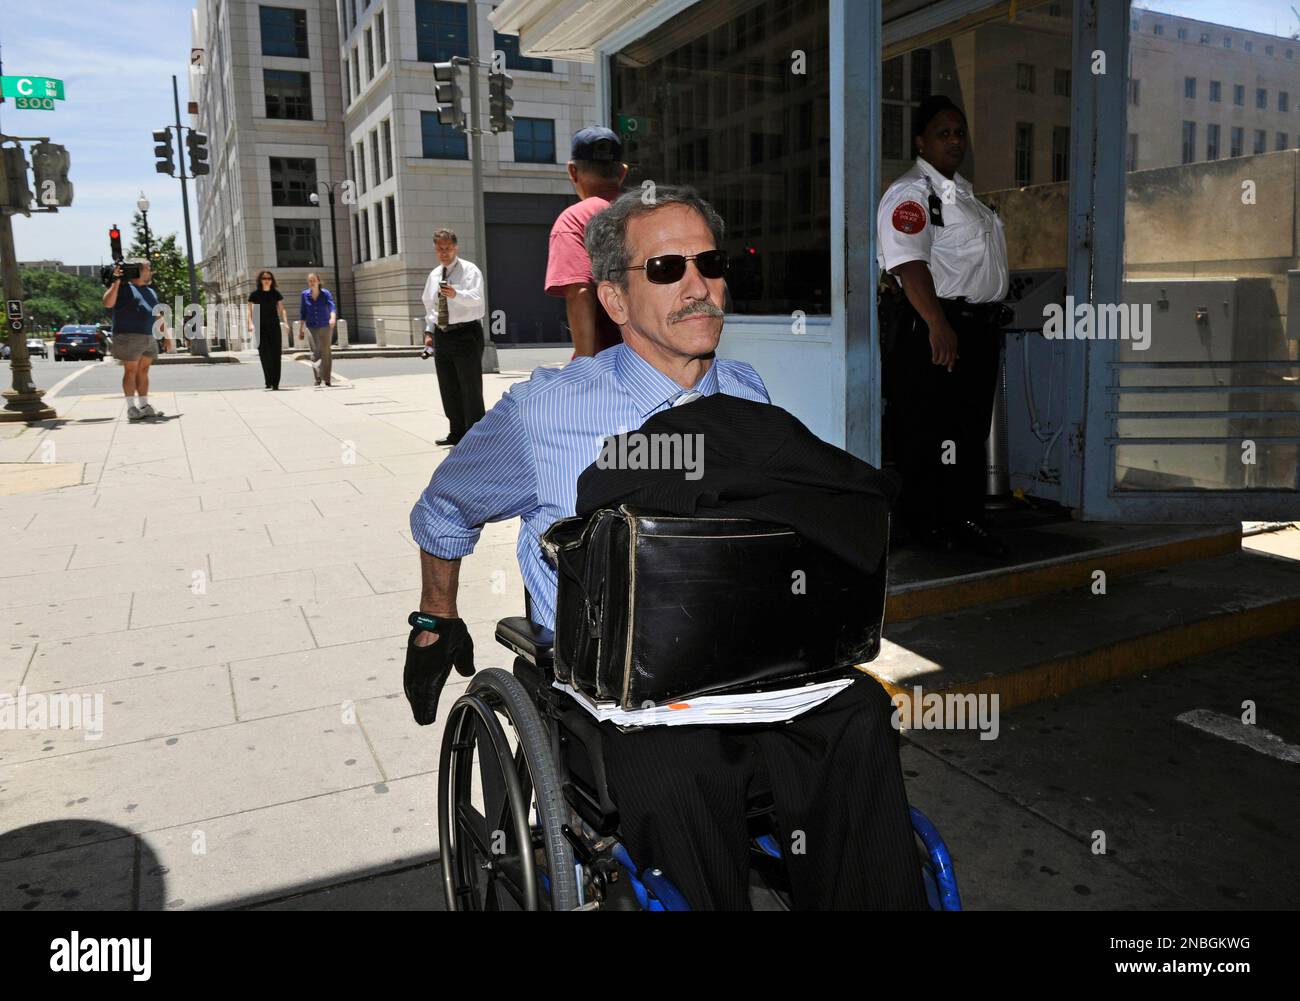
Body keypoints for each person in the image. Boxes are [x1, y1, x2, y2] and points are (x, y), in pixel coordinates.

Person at [407, 187, 926, 910]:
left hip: (753, 664)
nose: (698, 284)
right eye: (666, 268)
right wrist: (437, 616)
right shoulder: (546, 413)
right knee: (679, 767)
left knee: (862, 714)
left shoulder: (746, 392)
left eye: (710, 263)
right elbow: (443, 504)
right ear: (614, 299)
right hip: (626, 691)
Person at [877, 95, 1011, 557]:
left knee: (967, 431)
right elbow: (909, 262)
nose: (954, 140)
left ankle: (961, 519)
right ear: (921, 140)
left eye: (959, 132)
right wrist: (937, 323)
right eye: (943, 132)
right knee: (929, 430)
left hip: (975, 326)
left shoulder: (962, 192)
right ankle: (927, 527)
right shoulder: (913, 192)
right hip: (937, 322)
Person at [544, 126, 628, 357]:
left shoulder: (574, 219)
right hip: (666, 361)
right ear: (622, 172)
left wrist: (584, 363)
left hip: (612, 364)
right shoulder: (648, 213)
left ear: (572, 171)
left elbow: (580, 291)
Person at [421, 229, 486, 446]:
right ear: (435, 249)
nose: (444, 252)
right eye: (440, 248)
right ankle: (456, 432)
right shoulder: (434, 275)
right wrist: (429, 332)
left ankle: (476, 436)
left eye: (448, 248)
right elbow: (430, 306)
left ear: (455, 247)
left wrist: (456, 294)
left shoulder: (469, 270)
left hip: (466, 332)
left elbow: (477, 299)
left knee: (470, 387)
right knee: (448, 386)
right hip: (443, 334)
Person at [102, 258, 164, 422]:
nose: (150, 272)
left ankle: (144, 405)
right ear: (138, 270)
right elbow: (107, 303)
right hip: (128, 335)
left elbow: (157, 313)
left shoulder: (150, 291)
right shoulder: (123, 288)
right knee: (130, 371)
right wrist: (115, 282)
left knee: (143, 371)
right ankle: (131, 408)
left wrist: (167, 335)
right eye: (147, 268)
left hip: (148, 336)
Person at [247, 270, 288, 390]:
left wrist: (285, 322)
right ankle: (268, 381)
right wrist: (250, 324)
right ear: (260, 280)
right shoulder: (255, 295)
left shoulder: (275, 294)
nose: (267, 280)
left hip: (274, 326)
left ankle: (275, 383)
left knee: (276, 354)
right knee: (264, 355)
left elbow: (282, 309)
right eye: (264, 278)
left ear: (272, 280)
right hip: (260, 327)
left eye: (269, 278)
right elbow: (250, 311)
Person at [298, 272, 338, 387]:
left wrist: (332, 318)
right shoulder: (304, 294)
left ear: (318, 281)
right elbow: (303, 312)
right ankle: (318, 378)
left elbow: (331, 306)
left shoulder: (325, 293)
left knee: (326, 351)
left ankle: (327, 378)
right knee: (315, 352)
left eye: (314, 280)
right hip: (311, 326)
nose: (312, 283)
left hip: (325, 325)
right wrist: (301, 329)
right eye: (310, 281)